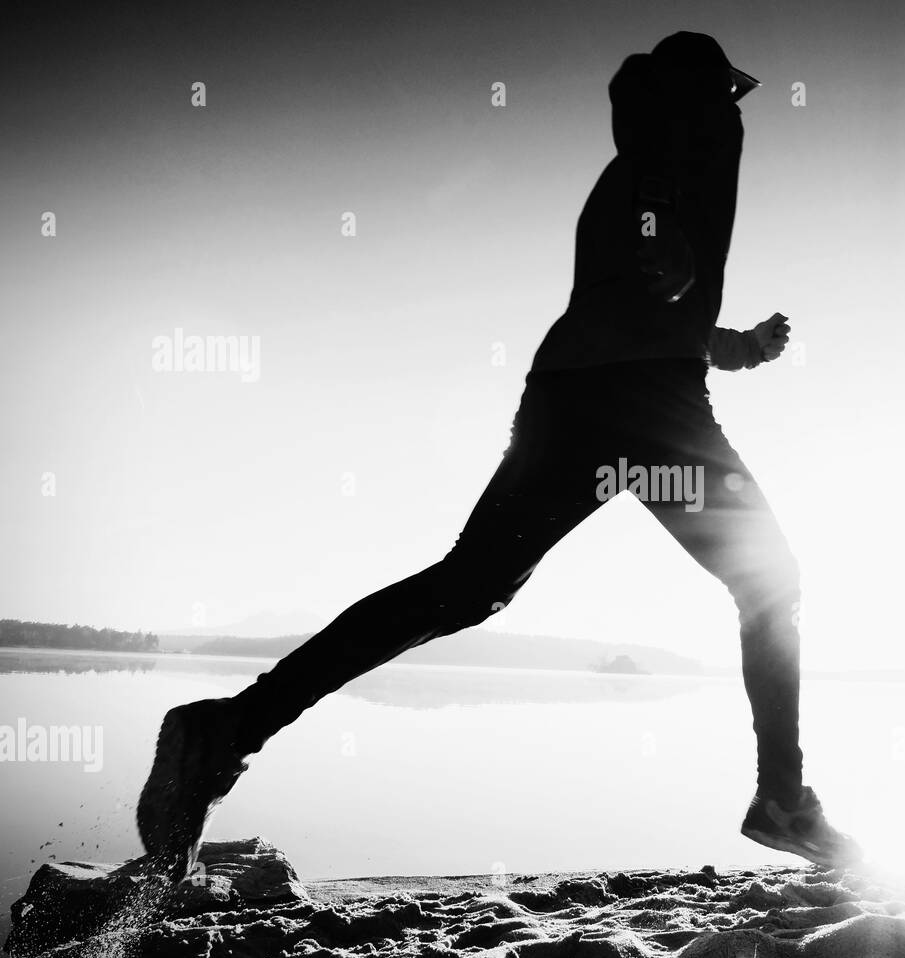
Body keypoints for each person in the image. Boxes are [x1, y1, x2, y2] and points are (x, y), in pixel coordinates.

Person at [137, 31, 862, 881]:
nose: (735, 113)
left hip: (575, 402)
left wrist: (738, 346)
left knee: (467, 586)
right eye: (725, 98)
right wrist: (664, 236)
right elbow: (654, 218)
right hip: (649, 409)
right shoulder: (673, 149)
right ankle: (782, 797)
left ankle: (227, 730)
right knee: (770, 577)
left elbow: (656, 302)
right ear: (700, 96)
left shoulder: (646, 160)